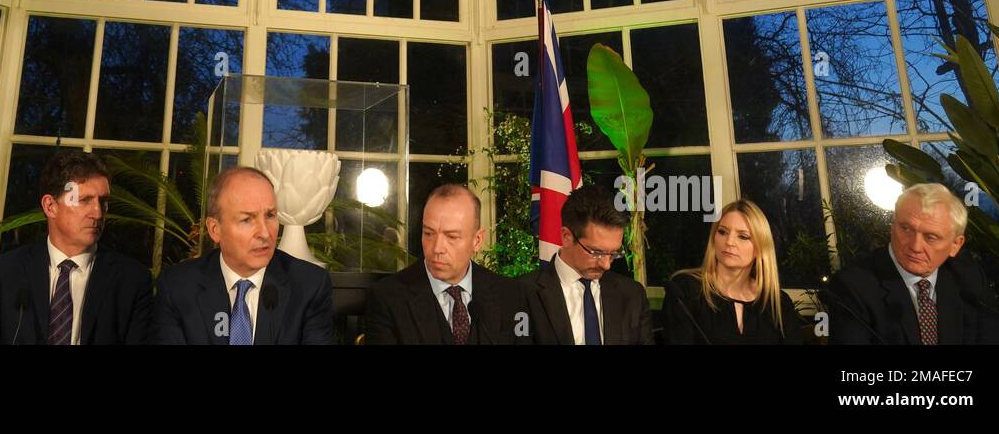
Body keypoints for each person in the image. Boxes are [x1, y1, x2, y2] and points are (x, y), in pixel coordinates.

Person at [0, 151, 153, 344]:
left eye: (103, 202)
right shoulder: (4, 273)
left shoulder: (132, 280)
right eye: (84, 200)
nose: (97, 213)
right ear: (50, 206)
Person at [153, 166, 333, 344]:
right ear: (215, 229)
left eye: (270, 215)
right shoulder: (177, 287)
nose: (264, 233)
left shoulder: (309, 285)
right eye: (247, 219)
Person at [822, 182, 999, 345]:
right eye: (906, 229)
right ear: (892, 227)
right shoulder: (853, 286)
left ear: (955, 245)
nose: (915, 246)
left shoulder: (968, 278)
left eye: (931, 237)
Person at [365, 183, 526, 345]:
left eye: (451, 237)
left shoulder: (511, 295)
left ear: (477, 241)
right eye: (428, 234)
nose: (437, 248)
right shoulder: (388, 299)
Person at [520, 185, 653, 345]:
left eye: (613, 253)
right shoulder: (523, 294)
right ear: (567, 237)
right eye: (596, 252)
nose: (606, 265)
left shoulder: (632, 295)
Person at [663, 199, 801, 345]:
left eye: (743, 236)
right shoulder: (685, 290)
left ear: (760, 248)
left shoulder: (778, 302)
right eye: (722, 232)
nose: (729, 242)